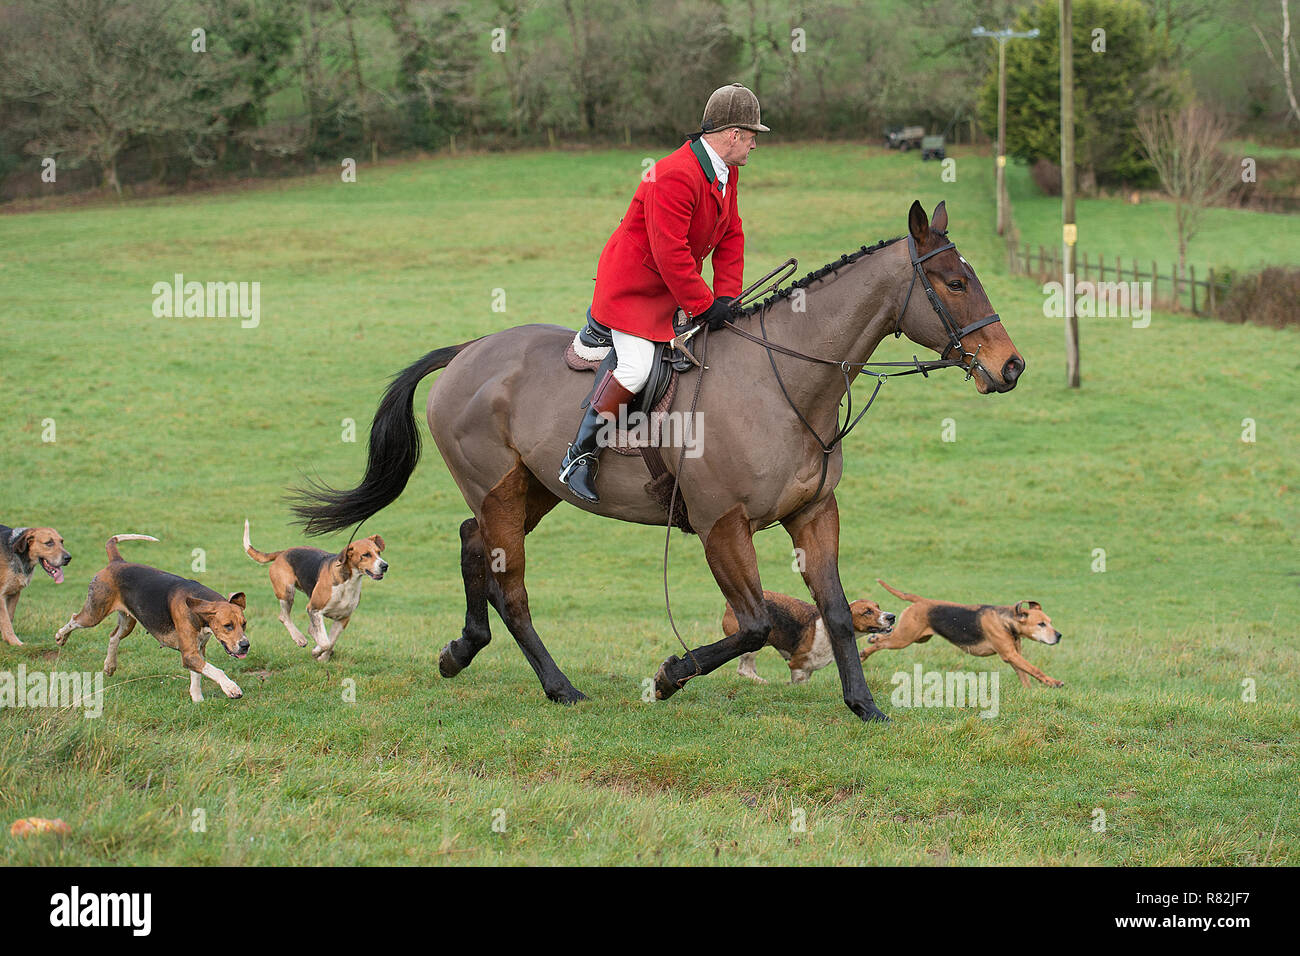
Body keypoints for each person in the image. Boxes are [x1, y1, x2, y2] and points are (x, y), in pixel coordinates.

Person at [559, 83, 768, 502]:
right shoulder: (673, 174)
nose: (754, 146)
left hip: (672, 288)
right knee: (635, 369)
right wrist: (703, 305)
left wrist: (727, 297)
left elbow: (732, 234)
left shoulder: (727, 172)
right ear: (732, 134)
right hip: (633, 290)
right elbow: (670, 252)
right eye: (751, 137)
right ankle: (579, 456)